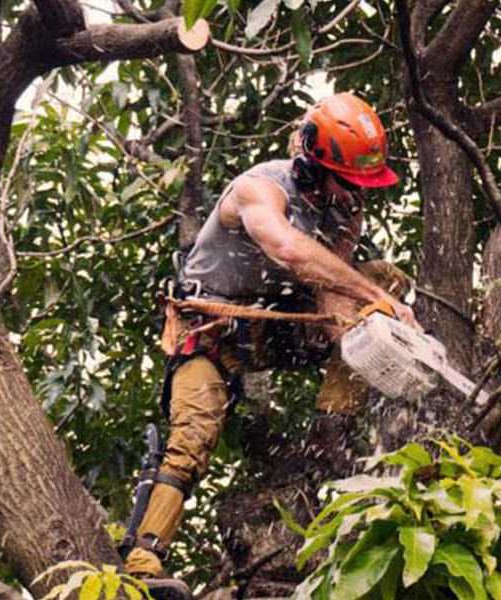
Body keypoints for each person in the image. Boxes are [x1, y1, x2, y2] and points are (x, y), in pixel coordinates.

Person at [123, 93, 419, 591]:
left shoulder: (343, 211)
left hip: (278, 328)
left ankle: (331, 430)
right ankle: (141, 563)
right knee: (192, 437)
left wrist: (369, 329)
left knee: (383, 280)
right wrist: (368, 295)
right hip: (212, 332)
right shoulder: (260, 189)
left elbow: (330, 294)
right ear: (310, 165)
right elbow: (286, 248)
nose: (351, 194)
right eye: (345, 181)